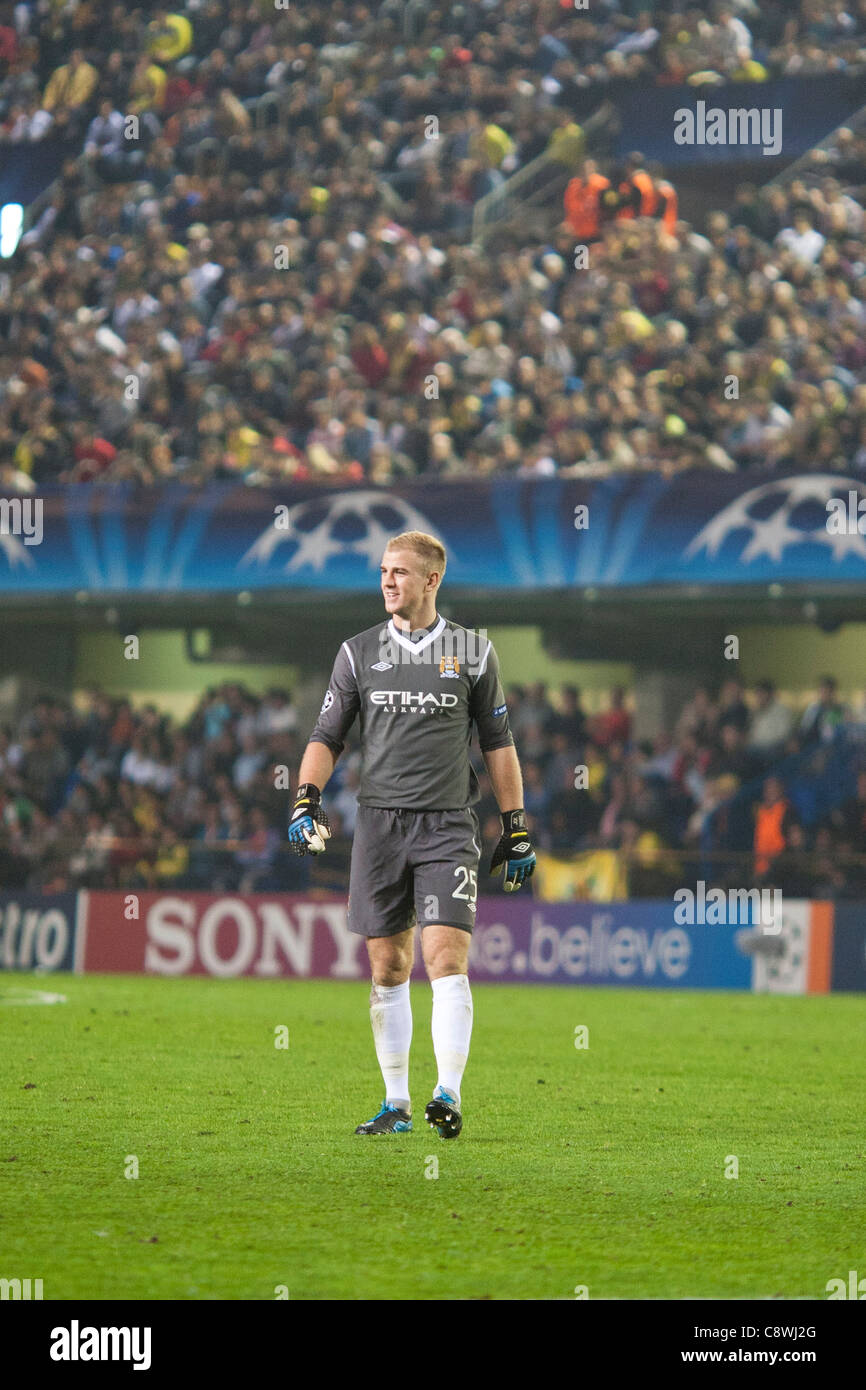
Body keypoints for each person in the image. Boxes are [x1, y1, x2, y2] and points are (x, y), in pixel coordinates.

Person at [288, 530, 536, 1139]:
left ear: (432, 581)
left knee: (445, 957)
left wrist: (517, 826)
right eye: (382, 571)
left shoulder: (473, 653)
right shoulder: (356, 653)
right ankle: (395, 1105)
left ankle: (447, 1093)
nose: (387, 582)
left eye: (400, 572)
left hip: (449, 824)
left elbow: (498, 744)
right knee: (388, 965)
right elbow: (327, 736)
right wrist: (305, 799)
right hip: (378, 826)